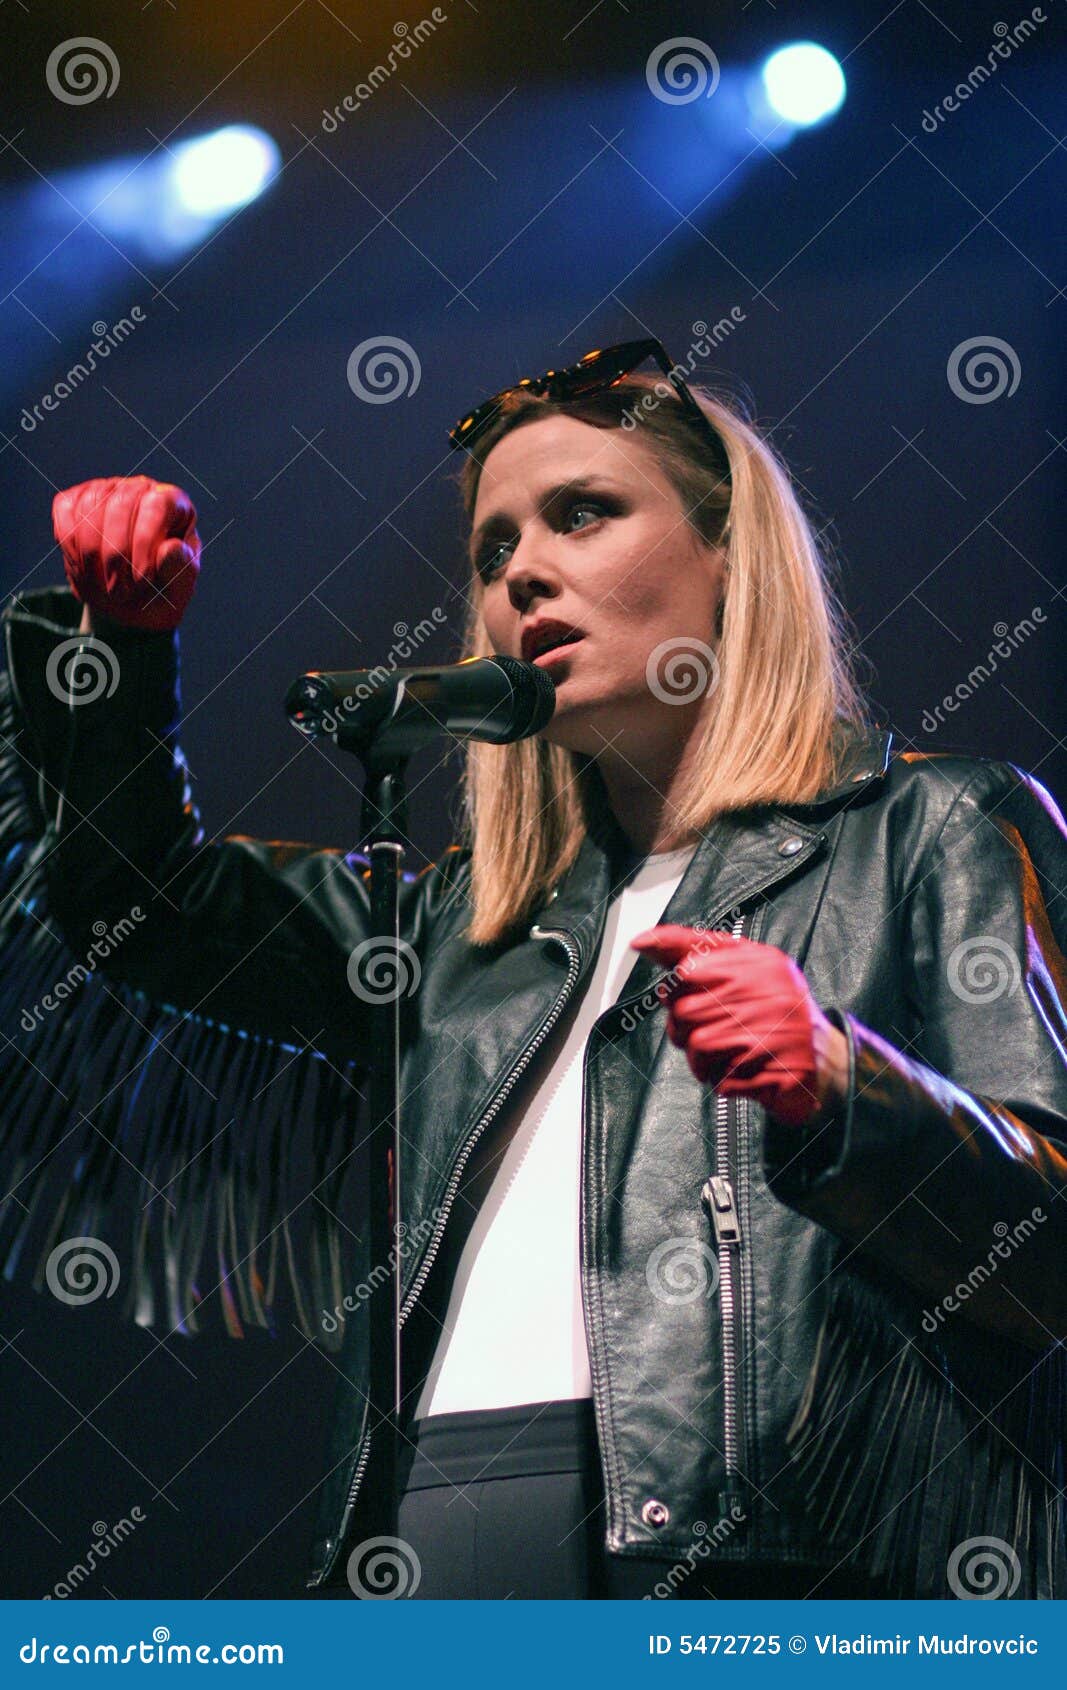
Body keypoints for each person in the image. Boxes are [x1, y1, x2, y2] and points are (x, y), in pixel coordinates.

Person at [1, 339, 1065, 1603]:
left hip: (751, 1553)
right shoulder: (457, 928)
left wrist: (848, 1088)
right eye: (493, 549)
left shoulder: (930, 827)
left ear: (729, 555)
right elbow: (140, 904)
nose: (522, 573)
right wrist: (116, 653)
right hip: (428, 1530)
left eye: (583, 512)